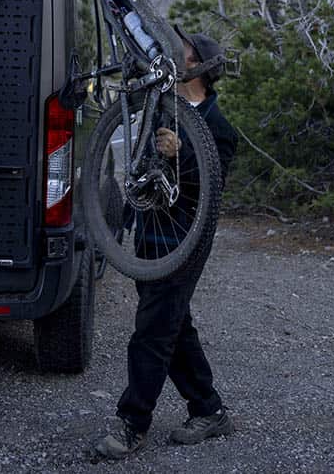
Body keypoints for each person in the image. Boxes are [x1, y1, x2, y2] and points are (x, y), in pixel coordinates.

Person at [94, 29, 239, 461]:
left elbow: (210, 190)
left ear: (198, 66)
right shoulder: (163, 108)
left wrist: (182, 155)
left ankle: (133, 423)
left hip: (184, 245)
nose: (177, 52)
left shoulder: (219, 129)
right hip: (150, 239)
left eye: (185, 49)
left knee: (152, 333)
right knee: (174, 326)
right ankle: (209, 410)